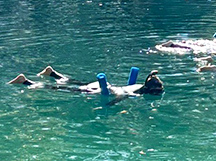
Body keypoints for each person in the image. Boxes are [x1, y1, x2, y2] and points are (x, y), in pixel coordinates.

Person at [9, 68, 164, 96]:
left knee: (77, 83)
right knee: (68, 90)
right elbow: (121, 96)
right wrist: (110, 106)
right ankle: (26, 82)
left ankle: (53, 73)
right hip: (103, 91)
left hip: (105, 85)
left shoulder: (138, 85)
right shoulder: (136, 92)